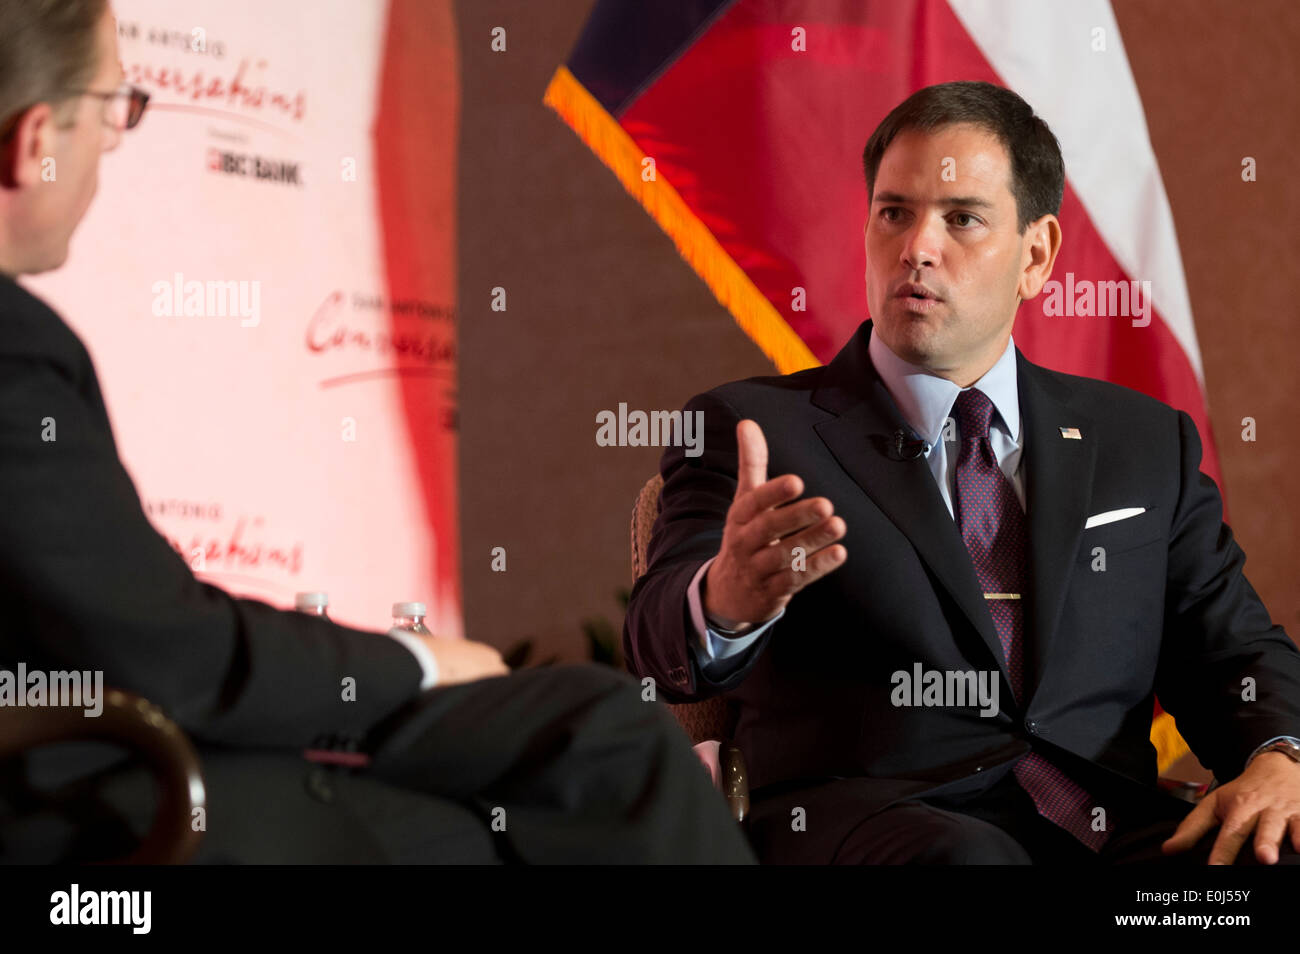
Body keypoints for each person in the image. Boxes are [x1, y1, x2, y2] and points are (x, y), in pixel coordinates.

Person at [0, 0, 755, 865]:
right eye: (112, 109)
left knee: (603, 731)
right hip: (107, 800)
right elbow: (174, 655)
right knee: (587, 778)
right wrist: (419, 665)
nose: (113, 142)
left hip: (132, 754)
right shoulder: (13, 351)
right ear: (33, 143)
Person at [624, 80, 1300, 865]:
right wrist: (726, 602)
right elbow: (656, 641)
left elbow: (1232, 650)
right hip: (880, 829)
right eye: (894, 212)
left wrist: (1280, 757)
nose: (917, 248)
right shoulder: (753, 431)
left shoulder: (1142, 442)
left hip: (1113, 834)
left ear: (1037, 256)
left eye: (962, 219)